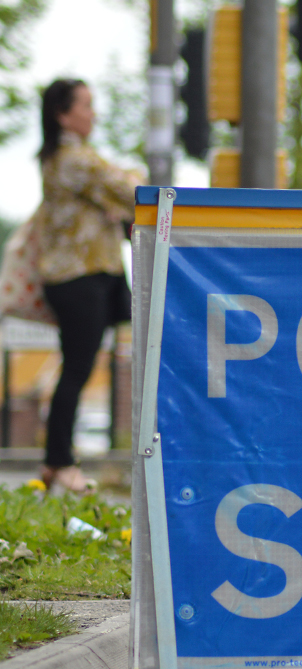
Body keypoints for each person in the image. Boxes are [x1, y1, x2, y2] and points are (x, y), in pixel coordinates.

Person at [34, 78, 143, 493]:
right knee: (77, 369)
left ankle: (56, 462)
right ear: (63, 114)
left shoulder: (71, 159)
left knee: (154, 330)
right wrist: (133, 178)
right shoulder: (72, 159)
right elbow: (130, 186)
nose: (92, 114)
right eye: (85, 105)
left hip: (102, 277)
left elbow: (116, 197)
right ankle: (58, 463)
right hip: (79, 281)